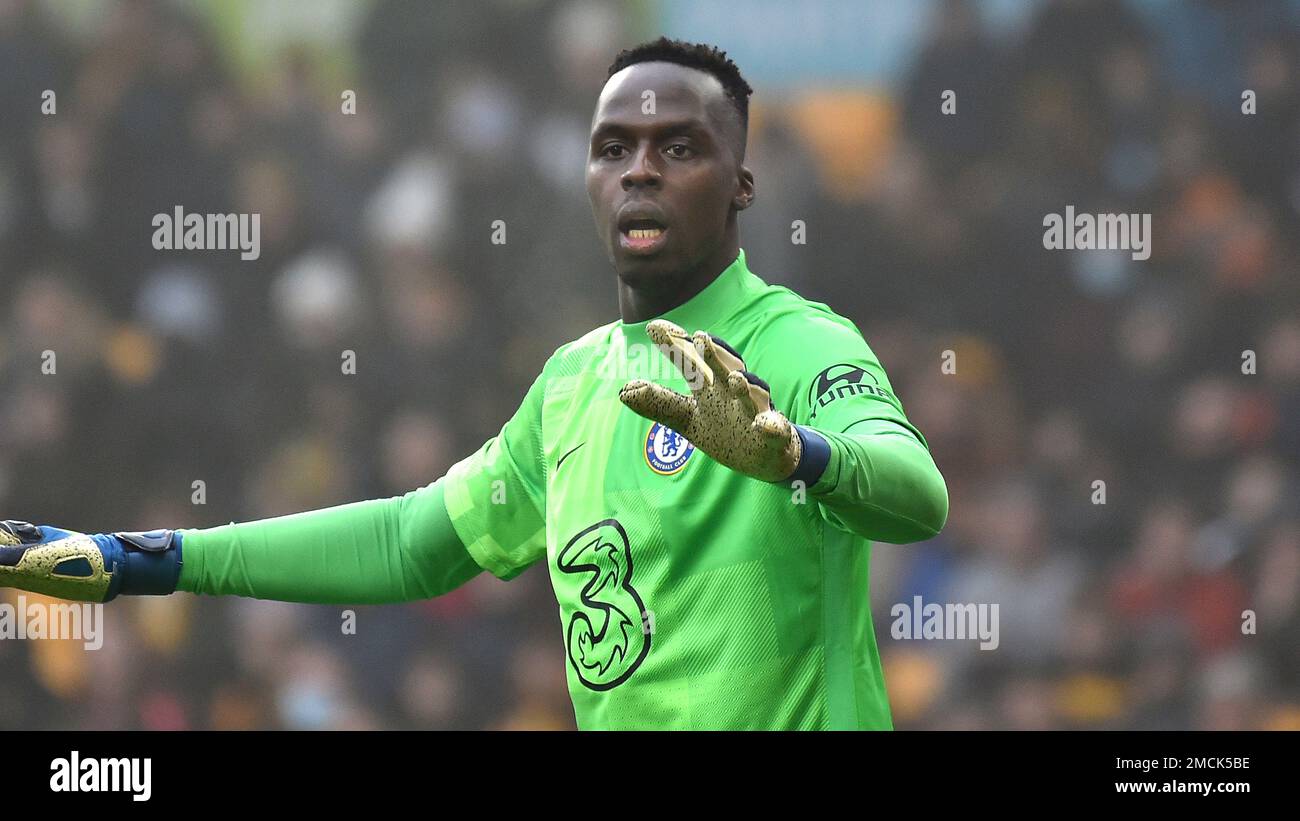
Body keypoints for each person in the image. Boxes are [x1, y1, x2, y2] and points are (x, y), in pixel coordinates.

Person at [0, 37, 947, 730]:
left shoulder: (794, 342)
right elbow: (414, 541)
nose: (640, 172)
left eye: (680, 147)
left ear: (742, 181)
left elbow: (919, 497)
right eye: (613, 148)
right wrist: (151, 560)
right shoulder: (573, 386)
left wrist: (798, 455)